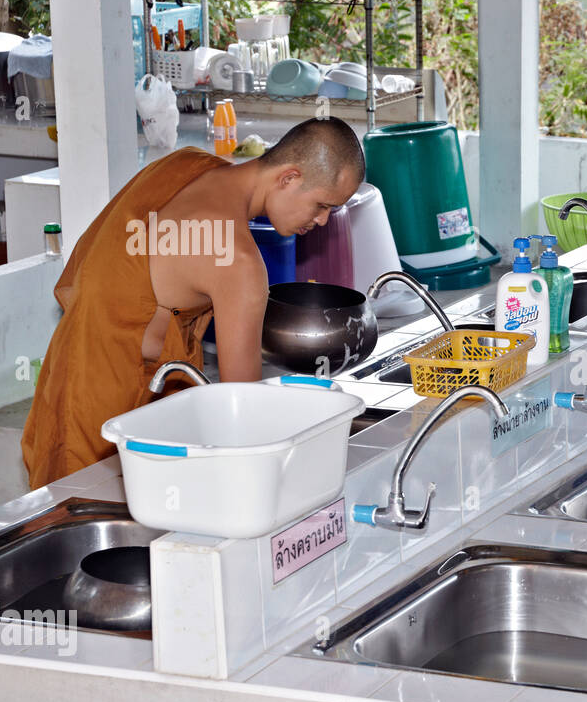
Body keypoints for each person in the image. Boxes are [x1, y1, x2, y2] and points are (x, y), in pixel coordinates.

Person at [21, 116, 365, 489]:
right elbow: (242, 410)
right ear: (288, 178)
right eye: (322, 205)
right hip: (110, 407)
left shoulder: (185, 164)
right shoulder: (238, 262)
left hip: (72, 364)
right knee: (91, 521)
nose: (324, 220)